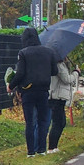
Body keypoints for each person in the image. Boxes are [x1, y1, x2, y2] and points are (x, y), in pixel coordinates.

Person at [11, 26, 61, 156]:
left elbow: (20, 73)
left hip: (28, 90)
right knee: (43, 121)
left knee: (30, 122)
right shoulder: (49, 52)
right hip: (43, 90)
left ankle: (31, 151)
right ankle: (41, 149)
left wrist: (11, 85)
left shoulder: (23, 53)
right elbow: (54, 71)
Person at [47, 57, 74, 152]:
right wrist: (76, 73)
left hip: (58, 96)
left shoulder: (60, 64)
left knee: (61, 122)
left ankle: (54, 146)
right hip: (57, 96)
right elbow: (67, 79)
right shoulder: (58, 65)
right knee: (58, 122)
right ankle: (51, 147)